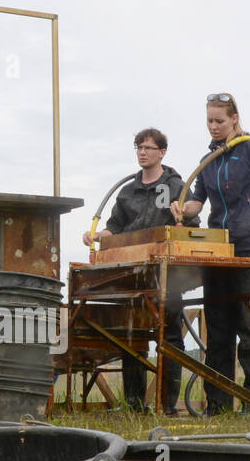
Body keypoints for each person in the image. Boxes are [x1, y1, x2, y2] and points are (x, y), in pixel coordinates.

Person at [170, 92, 250, 415]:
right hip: (219, 254)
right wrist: (184, 207)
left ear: (235, 119)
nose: (213, 126)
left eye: (219, 121)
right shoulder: (207, 160)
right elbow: (198, 201)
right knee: (219, 330)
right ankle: (218, 406)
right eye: (209, 121)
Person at [83, 128, 197, 414]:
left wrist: (182, 218)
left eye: (148, 147)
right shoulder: (127, 191)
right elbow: (115, 228)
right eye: (138, 147)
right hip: (132, 274)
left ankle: (167, 406)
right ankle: (134, 405)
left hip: (167, 275)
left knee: (170, 336)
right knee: (131, 336)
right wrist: (97, 237)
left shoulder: (175, 186)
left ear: (162, 152)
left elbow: (193, 226)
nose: (142, 152)